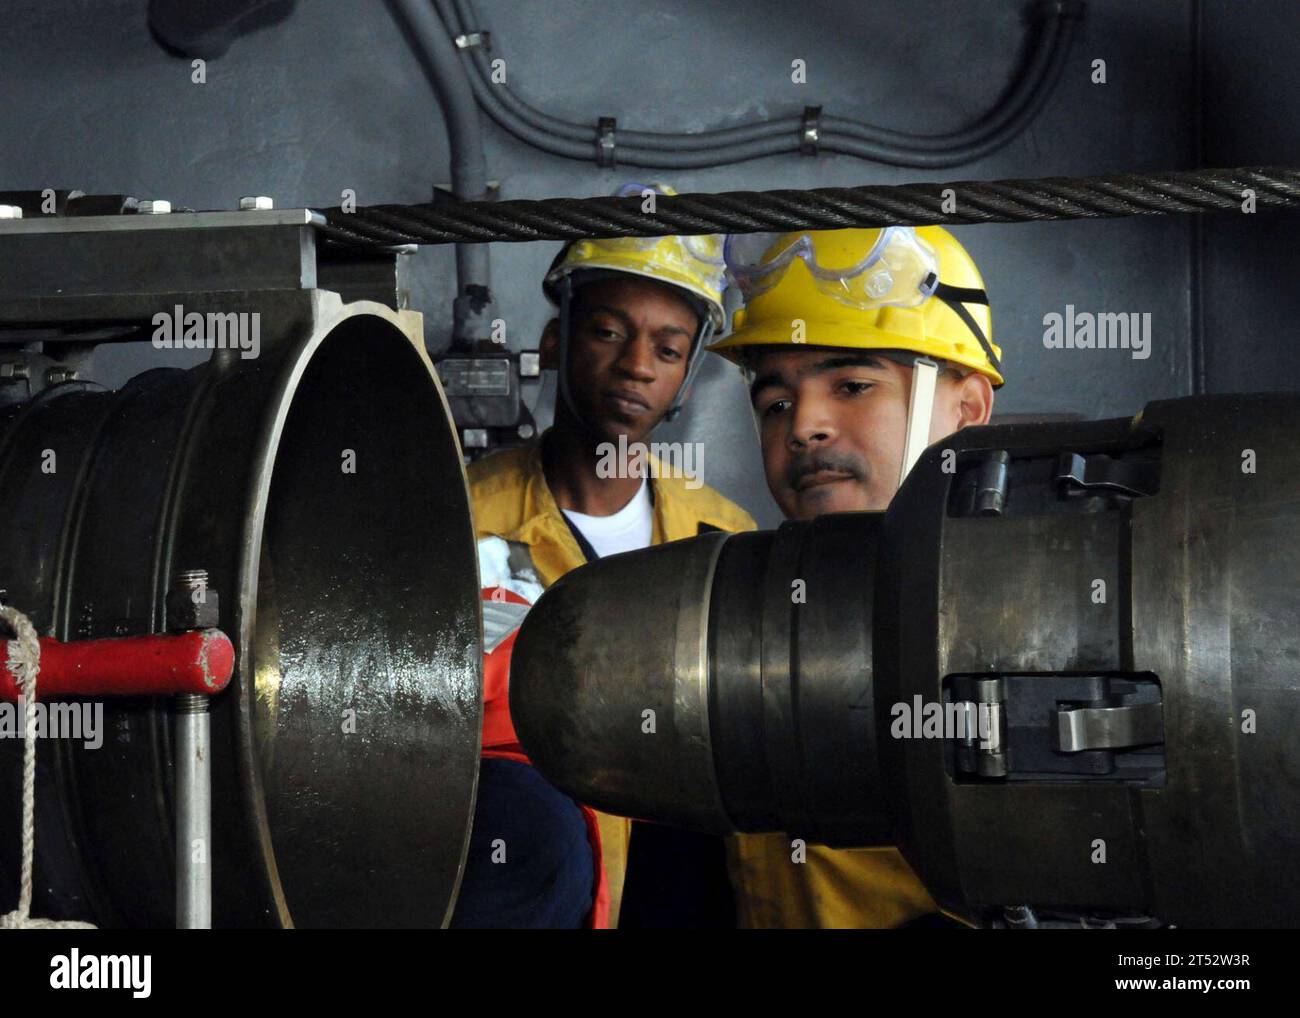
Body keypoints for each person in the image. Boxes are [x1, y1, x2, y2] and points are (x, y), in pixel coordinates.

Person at [460, 184, 757, 927]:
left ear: (686, 380)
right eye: (607, 332)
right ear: (557, 340)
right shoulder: (462, 517)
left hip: (689, 886)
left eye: (667, 349)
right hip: (539, 884)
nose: (636, 367)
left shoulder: (722, 538)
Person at [708, 224, 1003, 927]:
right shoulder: (730, 618)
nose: (804, 424)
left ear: (966, 410)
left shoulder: (1031, 620)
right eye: (775, 401)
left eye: (852, 384)